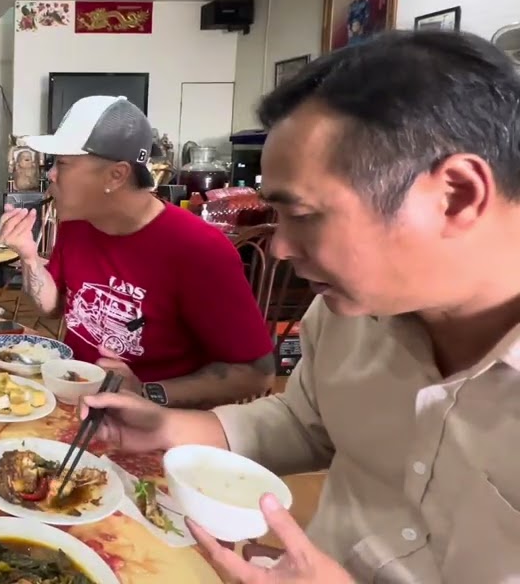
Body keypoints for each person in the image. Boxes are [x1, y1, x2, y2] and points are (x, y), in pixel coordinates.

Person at [84, 30, 520, 583]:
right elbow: (303, 420)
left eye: (305, 214)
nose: (280, 248)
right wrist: (168, 426)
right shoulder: (350, 317)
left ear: (456, 194)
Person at [0, 96, 273, 408]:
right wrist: (29, 257)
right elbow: (51, 307)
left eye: (62, 163)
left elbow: (255, 374)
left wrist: (146, 392)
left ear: (116, 175)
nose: (50, 175)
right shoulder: (79, 223)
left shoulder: (198, 249)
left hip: (158, 430)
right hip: (77, 403)